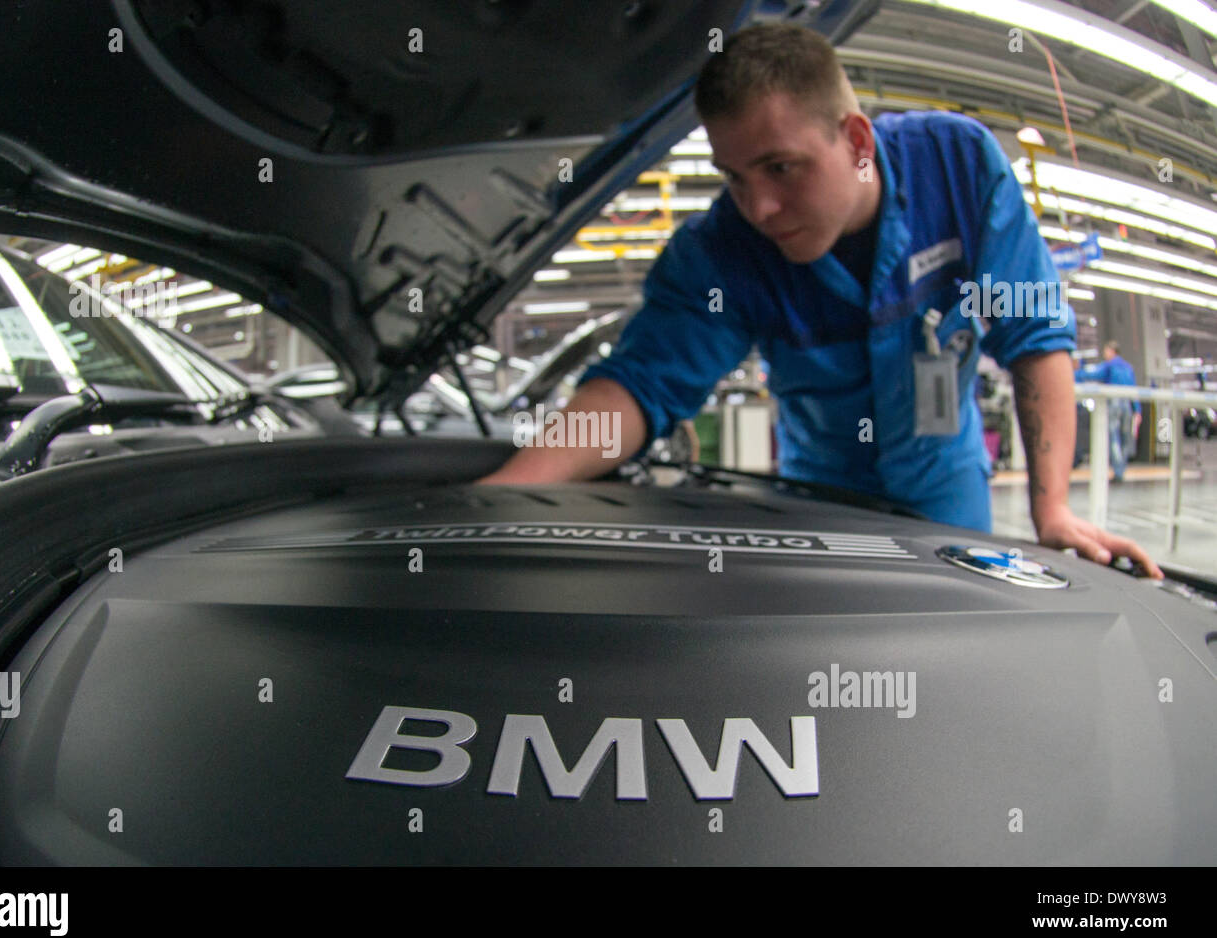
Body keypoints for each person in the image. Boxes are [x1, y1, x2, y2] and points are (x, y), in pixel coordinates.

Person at [480, 23, 1162, 579]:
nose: (759, 208)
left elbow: (1034, 334)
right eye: (734, 178)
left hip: (948, 489)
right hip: (820, 500)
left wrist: (1053, 512)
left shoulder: (959, 167)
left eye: (780, 168)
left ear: (856, 141)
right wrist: (504, 495)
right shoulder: (720, 250)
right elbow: (638, 388)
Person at [1075, 341, 1141, 482]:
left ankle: (1117, 471)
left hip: (1115, 403)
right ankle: (1121, 469)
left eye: (1106, 351)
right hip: (1127, 405)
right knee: (1124, 438)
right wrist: (1138, 410)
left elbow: (1093, 374)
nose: (1105, 354)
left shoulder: (1109, 365)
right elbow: (1134, 390)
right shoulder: (1128, 368)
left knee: (1114, 437)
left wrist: (1076, 374)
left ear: (1112, 351)